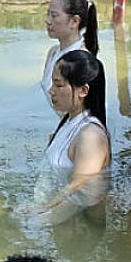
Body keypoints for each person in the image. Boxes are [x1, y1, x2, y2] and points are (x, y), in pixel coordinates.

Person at [38, 50, 110, 225]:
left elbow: (81, 192)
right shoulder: (69, 121)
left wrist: (38, 221)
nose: (51, 91)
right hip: (56, 218)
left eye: (59, 85)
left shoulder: (90, 136)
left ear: (83, 90)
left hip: (72, 228)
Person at [41, 0, 98, 108]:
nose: (48, 21)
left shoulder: (81, 61)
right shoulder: (53, 52)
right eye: (48, 14)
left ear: (74, 21)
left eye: (54, 15)